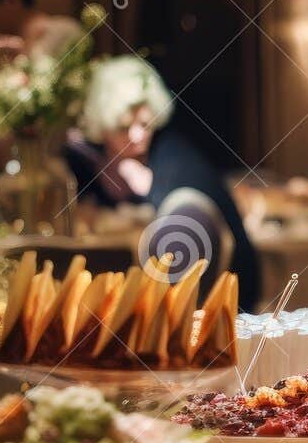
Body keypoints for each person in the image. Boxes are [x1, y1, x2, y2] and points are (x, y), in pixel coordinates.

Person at [66, 56, 262, 308]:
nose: (137, 136)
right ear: (102, 127)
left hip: (225, 299)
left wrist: (149, 190)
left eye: (145, 124)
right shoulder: (90, 161)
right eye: (124, 127)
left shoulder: (176, 160)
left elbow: (179, 234)